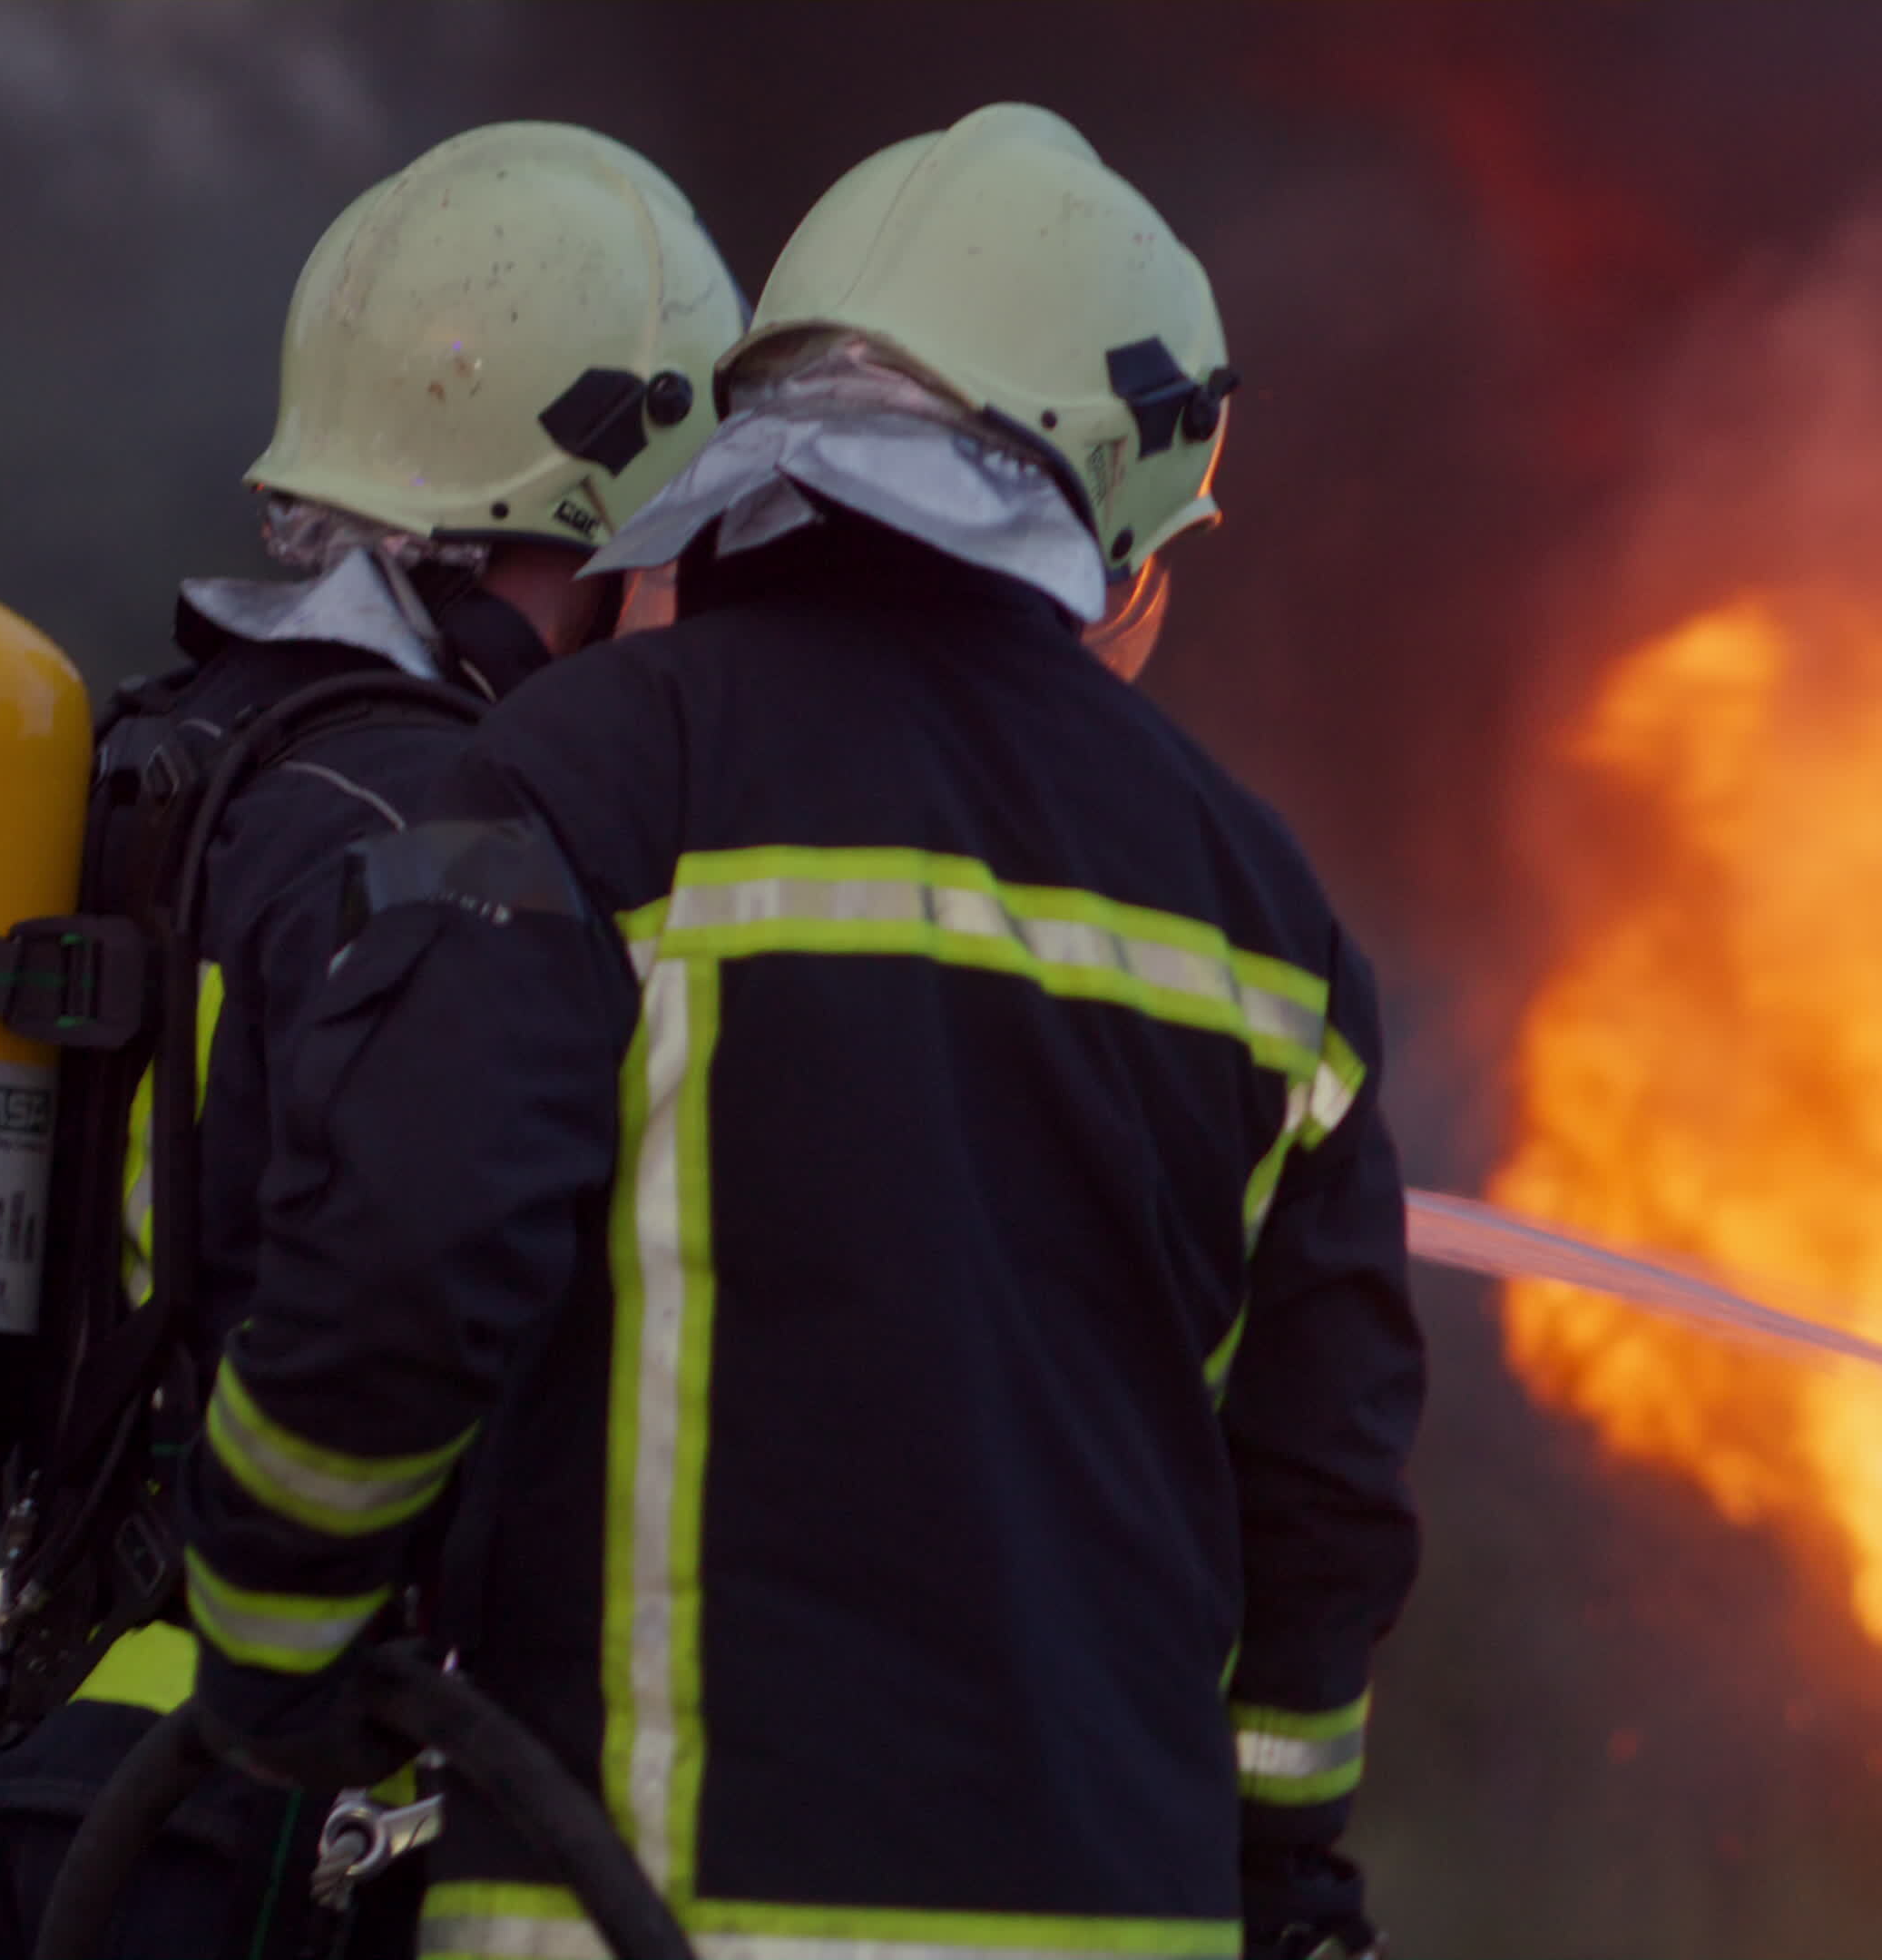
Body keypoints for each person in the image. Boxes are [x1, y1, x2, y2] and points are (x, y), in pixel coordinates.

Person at [181, 103, 1425, 1960]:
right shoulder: (1268, 914)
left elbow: (404, 1242)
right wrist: (1285, 1872)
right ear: (1104, 503)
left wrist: (271, 1641)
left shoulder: (565, 779)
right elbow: (1321, 1501)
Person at [0, 121, 742, 1960]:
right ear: (591, 515)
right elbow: (426, 1247)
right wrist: (285, 1628)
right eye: (685, 546)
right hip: (245, 1787)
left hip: (30, 1738)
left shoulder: (190, 755)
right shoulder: (451, 826)